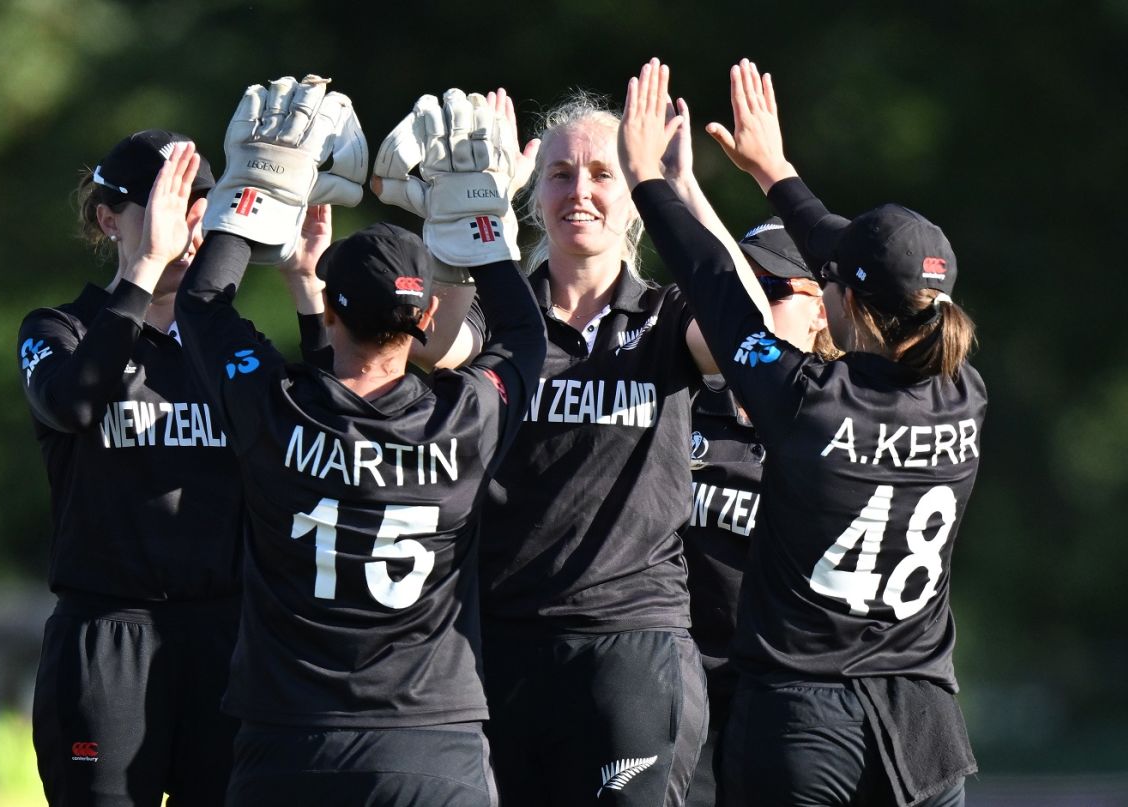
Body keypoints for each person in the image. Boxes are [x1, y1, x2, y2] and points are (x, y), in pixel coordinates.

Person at [619, 58, 984, 807]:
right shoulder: (965, 394)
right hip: (923, 727)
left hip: (802, 717)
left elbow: (718, 291)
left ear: (840, 299)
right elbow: (846, 268)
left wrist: (647, 180)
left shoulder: (809, 401)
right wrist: (775, 171)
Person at [375, 83, 751, 805]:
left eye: (604, 173)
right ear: (532, 193)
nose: (580, 189)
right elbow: (437, 342)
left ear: (633, 197)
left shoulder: (668, 315)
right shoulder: (504, 314)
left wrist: (677, 186)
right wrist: (466, 209)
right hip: (498, 637)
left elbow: (748, 333)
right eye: (560, 173)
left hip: (633, 643)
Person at [174, 77, 545, 805]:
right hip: (431, 749)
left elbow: (202, 300)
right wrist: (481, 221)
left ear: (330, 316)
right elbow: (525, 333)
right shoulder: (465, 419)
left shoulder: (275, 412)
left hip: (288, 745)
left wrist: (256, 189)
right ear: (427, 315)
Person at [18, 130, 243, 806]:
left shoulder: (230, 345)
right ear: (108, 218)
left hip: (222, 638)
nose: (185, 222)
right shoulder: (60, 328)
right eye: (165, 202)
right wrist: (145, 269)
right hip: (107, 639)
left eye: (199, 201)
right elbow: (74, 399)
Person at [682, 218, 838, 807]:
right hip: (684, 693)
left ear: (822, 309)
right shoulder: (683, 402)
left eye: (770, 288)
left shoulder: (844, 424)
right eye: (740, 283)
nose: (750, 302)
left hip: (788, 701)